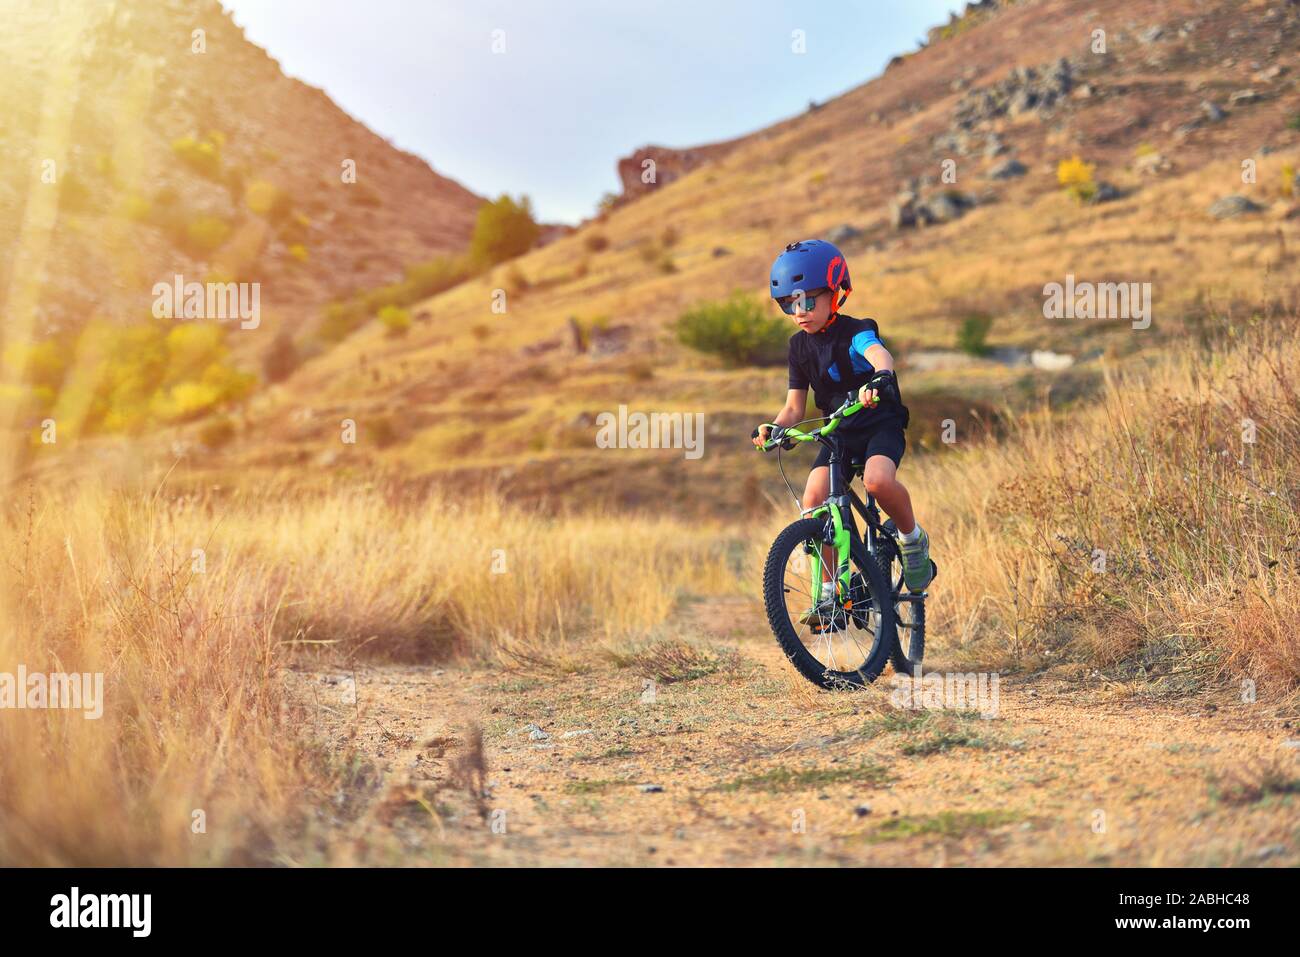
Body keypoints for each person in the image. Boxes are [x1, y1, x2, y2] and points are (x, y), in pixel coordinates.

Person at [752, 239, 933, 620]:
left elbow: (879, 354)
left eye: (806, 301)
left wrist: (880, 376)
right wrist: (775, 428)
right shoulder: (797, 347)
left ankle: (912, 540)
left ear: (836, 292)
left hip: (878, 423)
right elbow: (793, 408)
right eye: (788, 304)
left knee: (877, 482)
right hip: (838, 433)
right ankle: (833, 593)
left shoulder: (856, 331)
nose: (798, 312)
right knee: (813, 505)